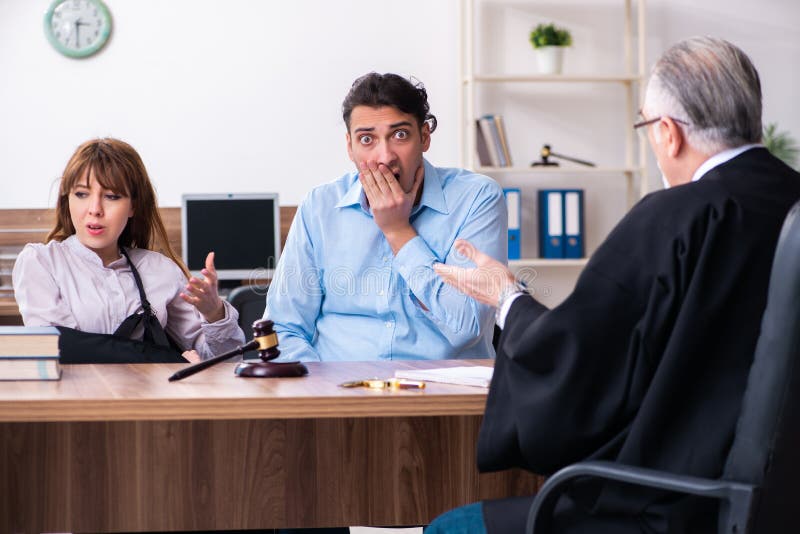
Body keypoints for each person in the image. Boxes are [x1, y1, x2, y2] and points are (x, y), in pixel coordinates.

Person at [428, 37, 800, 533]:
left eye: (647, 126)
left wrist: (506, 299)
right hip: (782, 506)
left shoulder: (674, 218)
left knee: (452, 528)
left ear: (668, 133)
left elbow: (578, 363)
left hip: (670, 507)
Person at [265, 72, 507, 362]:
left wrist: (398, 232)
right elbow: (284, 327)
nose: (385, 156)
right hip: (338, 394)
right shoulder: (319, 206)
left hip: (442, 396)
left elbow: (467, 326)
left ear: (425, 137)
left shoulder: (476, 198)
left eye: (400, 135)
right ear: (350, 147)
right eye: (367, 139)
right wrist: (323, 390)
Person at [12, 138, 245, 362]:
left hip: (150, 401)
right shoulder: (41, 262)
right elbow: (60, 346)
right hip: (78, 400)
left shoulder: (160, 270)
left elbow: (221, 363)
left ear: (133, 205)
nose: (94, 209)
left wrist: (214, 314)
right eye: (81, 194)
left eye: (112, 196)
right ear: (67, 198)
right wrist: (166, 359)